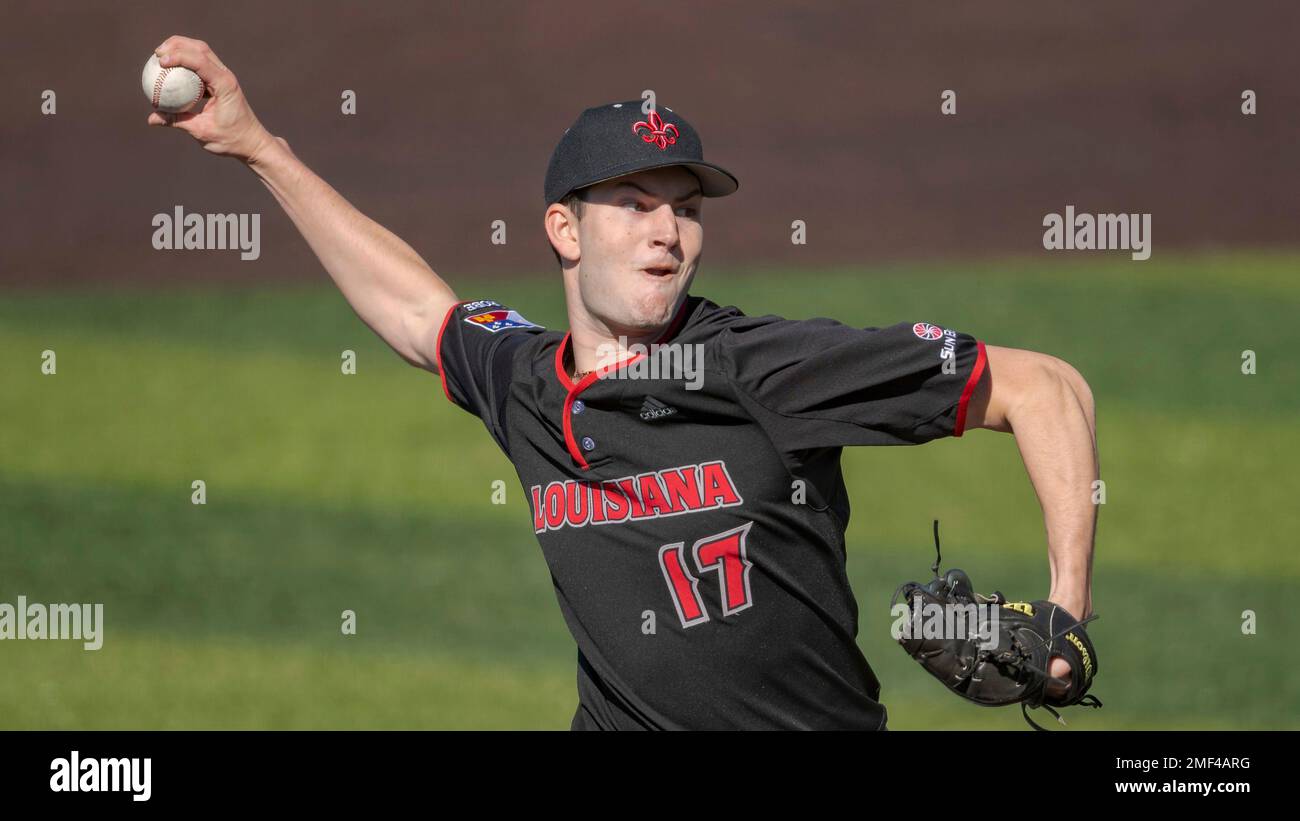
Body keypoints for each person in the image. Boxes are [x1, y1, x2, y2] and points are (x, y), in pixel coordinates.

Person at [148, 36, 1098, 730]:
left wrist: (1065, 612)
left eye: (683, 209)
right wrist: (257, 147)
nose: (666, 231)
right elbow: (417, 314)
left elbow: (1043, 386)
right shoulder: (525, 381)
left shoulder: (762, 364)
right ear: (564, 231)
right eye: (634, 204)